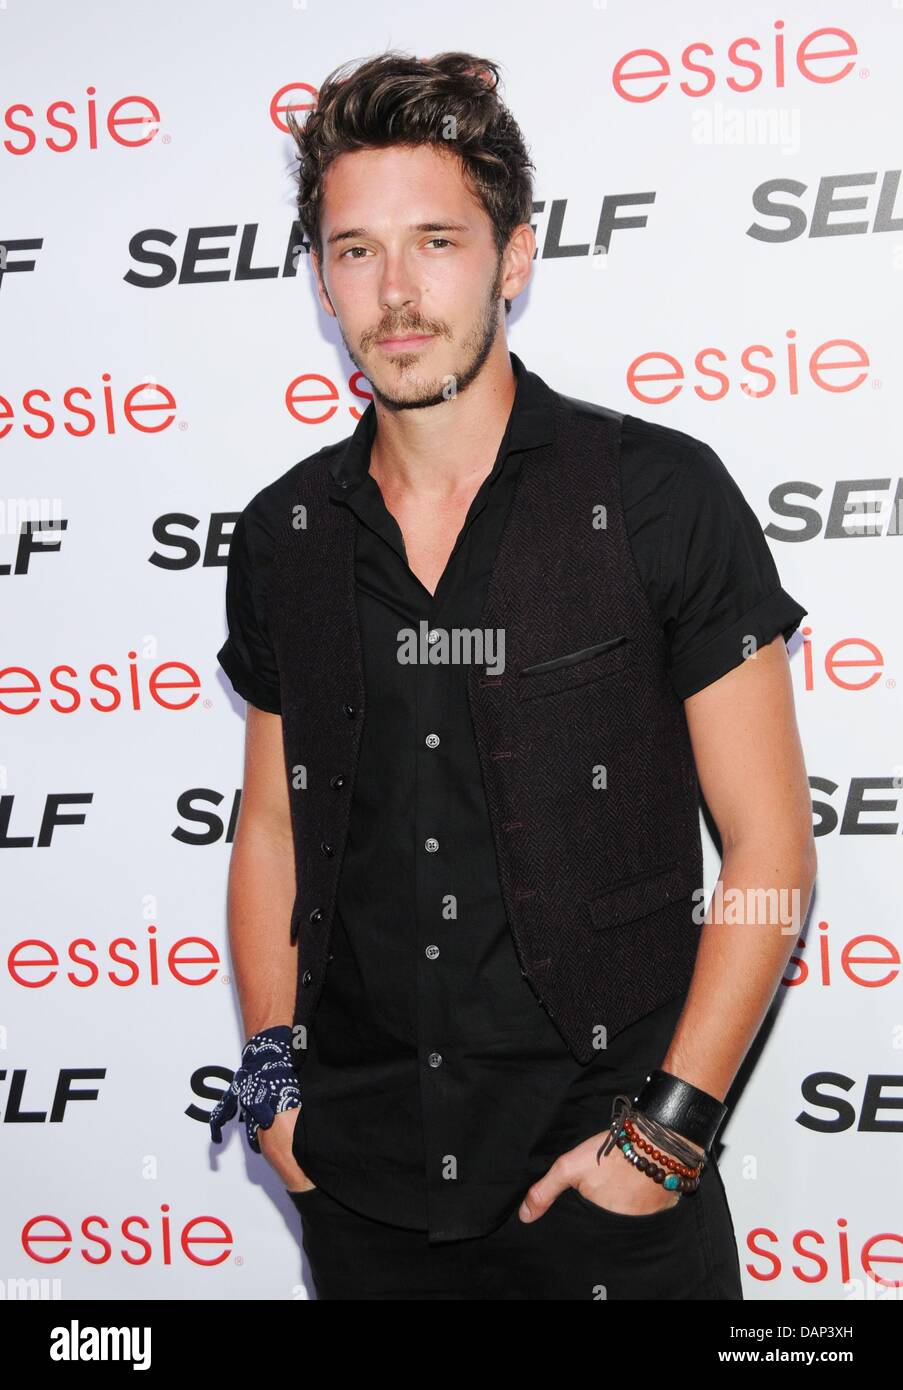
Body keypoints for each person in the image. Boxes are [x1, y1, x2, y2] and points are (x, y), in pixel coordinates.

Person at [210, 50, 816, 1300]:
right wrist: (275, 1089)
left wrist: (667, 1134)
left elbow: (767, 846)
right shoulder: (286, 537)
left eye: (436, 240)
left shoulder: (655, 495)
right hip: (363, 1184)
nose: (396, 293)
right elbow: (273, 820)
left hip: (606, 1181)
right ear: (321, 279)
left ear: (515, 257)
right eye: (355, 249)